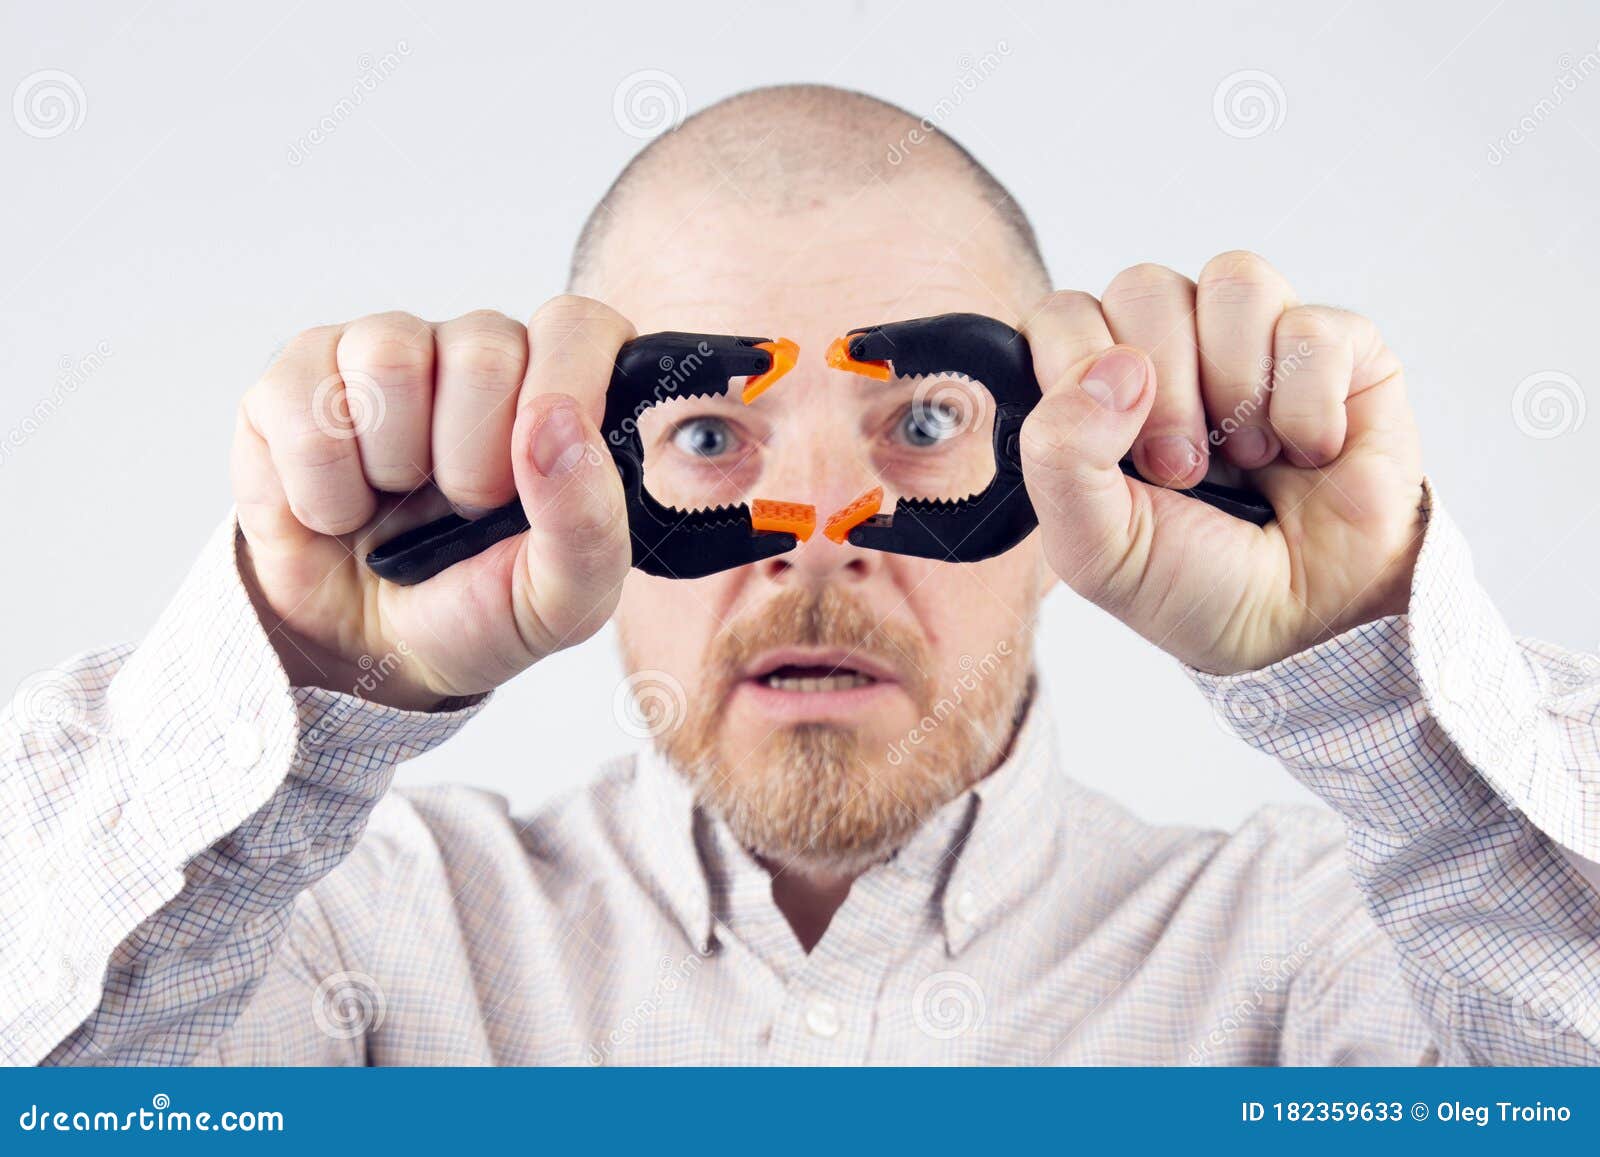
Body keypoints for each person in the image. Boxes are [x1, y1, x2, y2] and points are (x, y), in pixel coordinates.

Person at [5, 84, 1598, 1066]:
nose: (824, 532)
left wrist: (1384, 684)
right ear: (560, 478)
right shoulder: (349, 944)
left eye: (919, 422)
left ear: (1059, 496)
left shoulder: (1318, 962)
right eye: (709, 435)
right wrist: (300, 668)